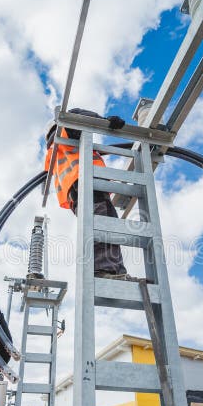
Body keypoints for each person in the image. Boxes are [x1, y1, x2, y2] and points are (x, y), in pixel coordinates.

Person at [44, 108, 128, 279]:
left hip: (79, 189)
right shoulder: (64, 136)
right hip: (85, 182)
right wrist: (104, 121)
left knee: (108, 225)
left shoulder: (60, 150)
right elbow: (77, 114)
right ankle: (103, 270)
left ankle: (115, 270)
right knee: (101, 225)